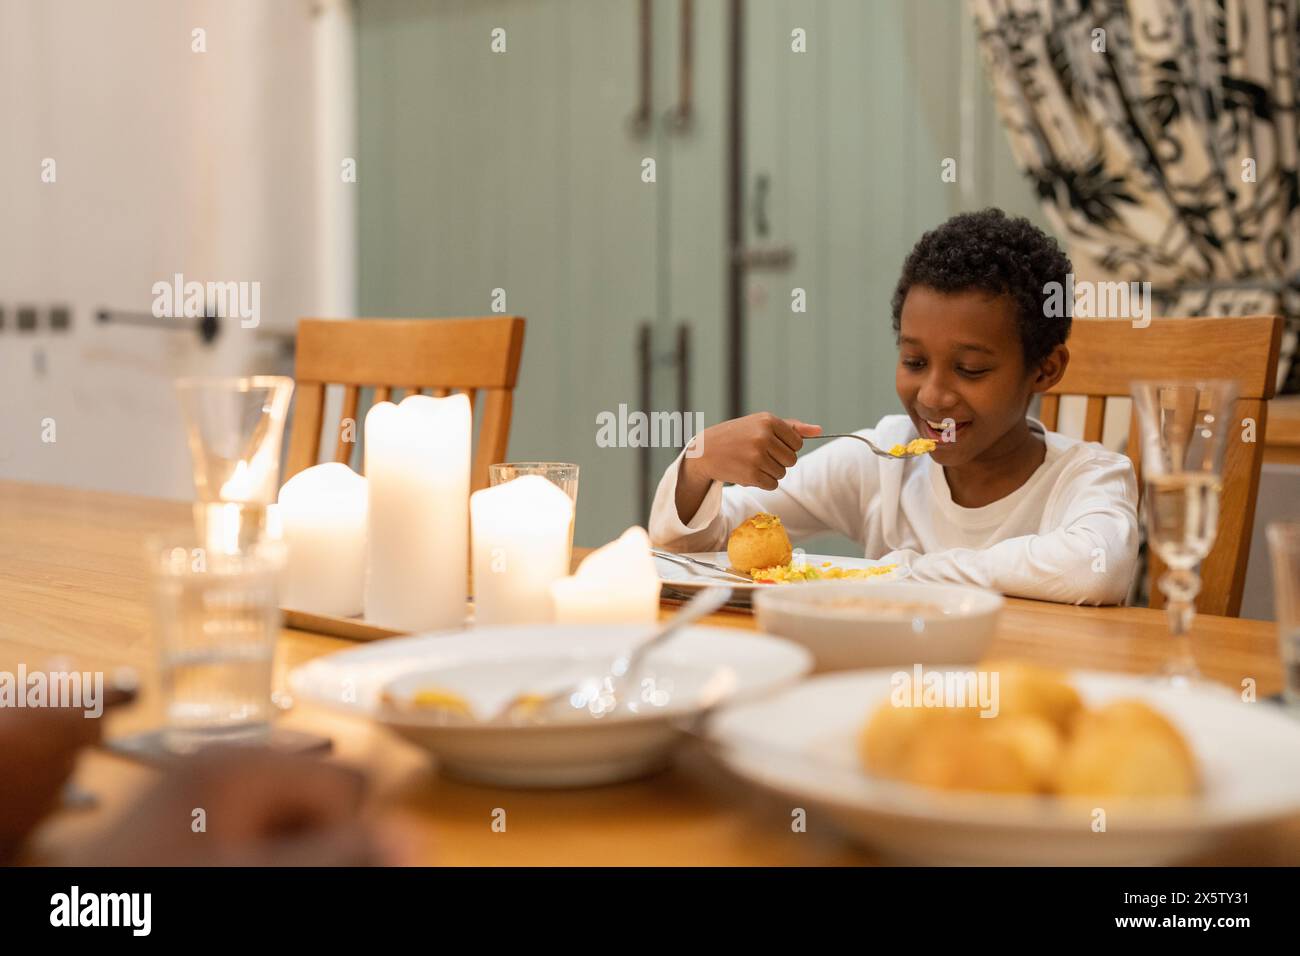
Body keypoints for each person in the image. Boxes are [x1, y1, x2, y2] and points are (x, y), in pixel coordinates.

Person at [650, 208, 1138, 605]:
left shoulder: (1089, 476)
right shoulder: (882, 459)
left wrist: (903, 572)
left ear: (1045, 370)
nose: (933, 395)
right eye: (914, 360)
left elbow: (1096, 570)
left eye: (970, 369)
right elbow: (687, 550)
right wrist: (701, 463)